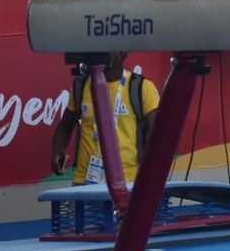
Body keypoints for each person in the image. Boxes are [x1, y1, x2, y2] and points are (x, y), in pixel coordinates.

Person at [49, 53, 160, 185]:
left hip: (127, 182)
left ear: (121, 53)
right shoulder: (81, 85)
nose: (97, 53)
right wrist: (57, 152)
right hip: (84, 181)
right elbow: (66, 125)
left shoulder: (142, 87)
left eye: (104, 48)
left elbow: (156, 135)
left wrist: (149, 173)